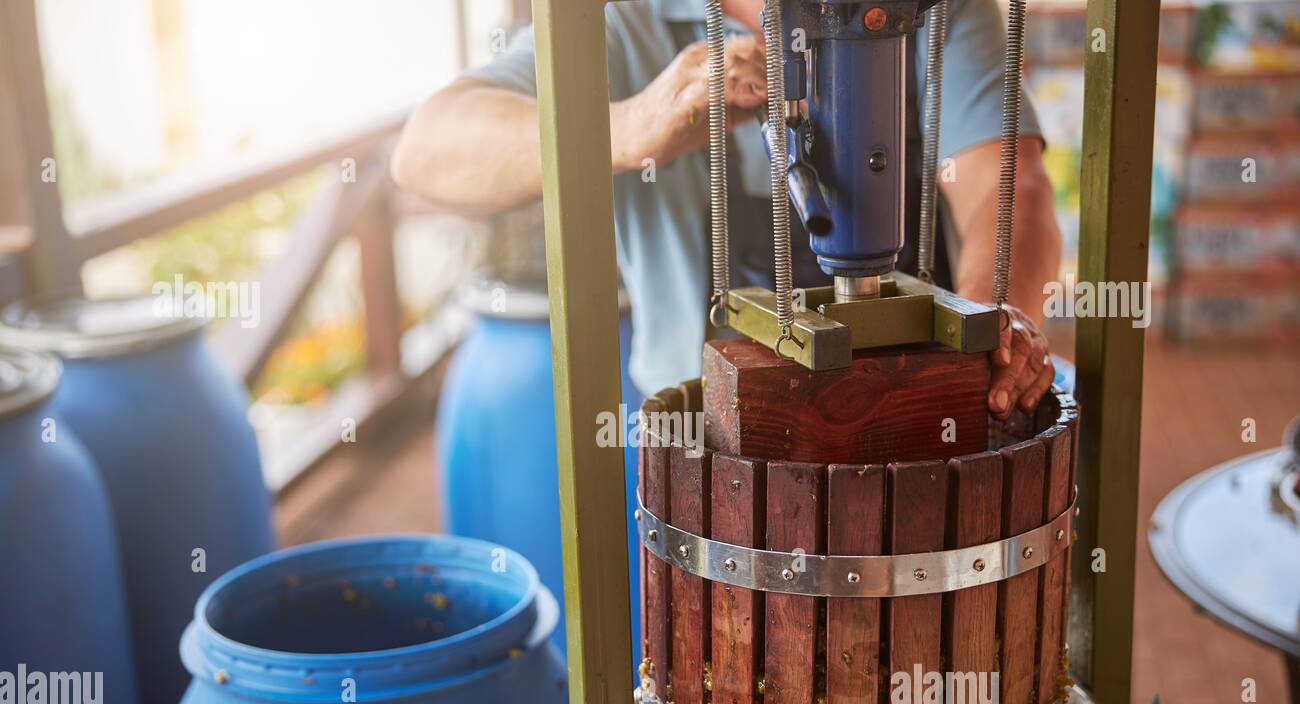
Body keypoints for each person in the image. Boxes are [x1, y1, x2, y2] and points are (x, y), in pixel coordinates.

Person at [393, 0, 1062, 419]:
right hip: (704, 433)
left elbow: (1006, 184)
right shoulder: (615, 18)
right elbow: (426, 149)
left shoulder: (932, 8)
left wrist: (986, 326)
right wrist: (629, 128)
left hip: (926, 405)